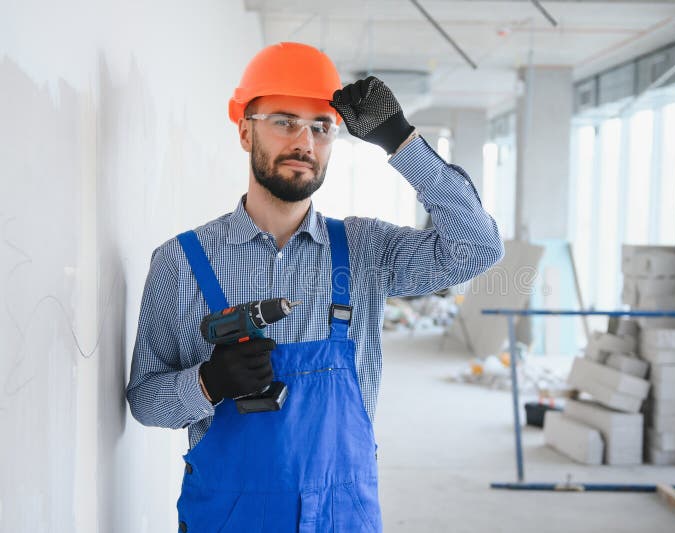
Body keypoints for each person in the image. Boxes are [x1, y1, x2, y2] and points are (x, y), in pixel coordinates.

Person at [126, 41, 503, 532]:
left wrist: (402, 143)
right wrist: (206, 383)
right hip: (228, 518)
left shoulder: (366, 250)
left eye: (321, 128)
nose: (304, 142)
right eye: (284, 121)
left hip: (341, 516)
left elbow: (477, 247)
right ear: (245, 131)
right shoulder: (180, 262)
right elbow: (145, 401)